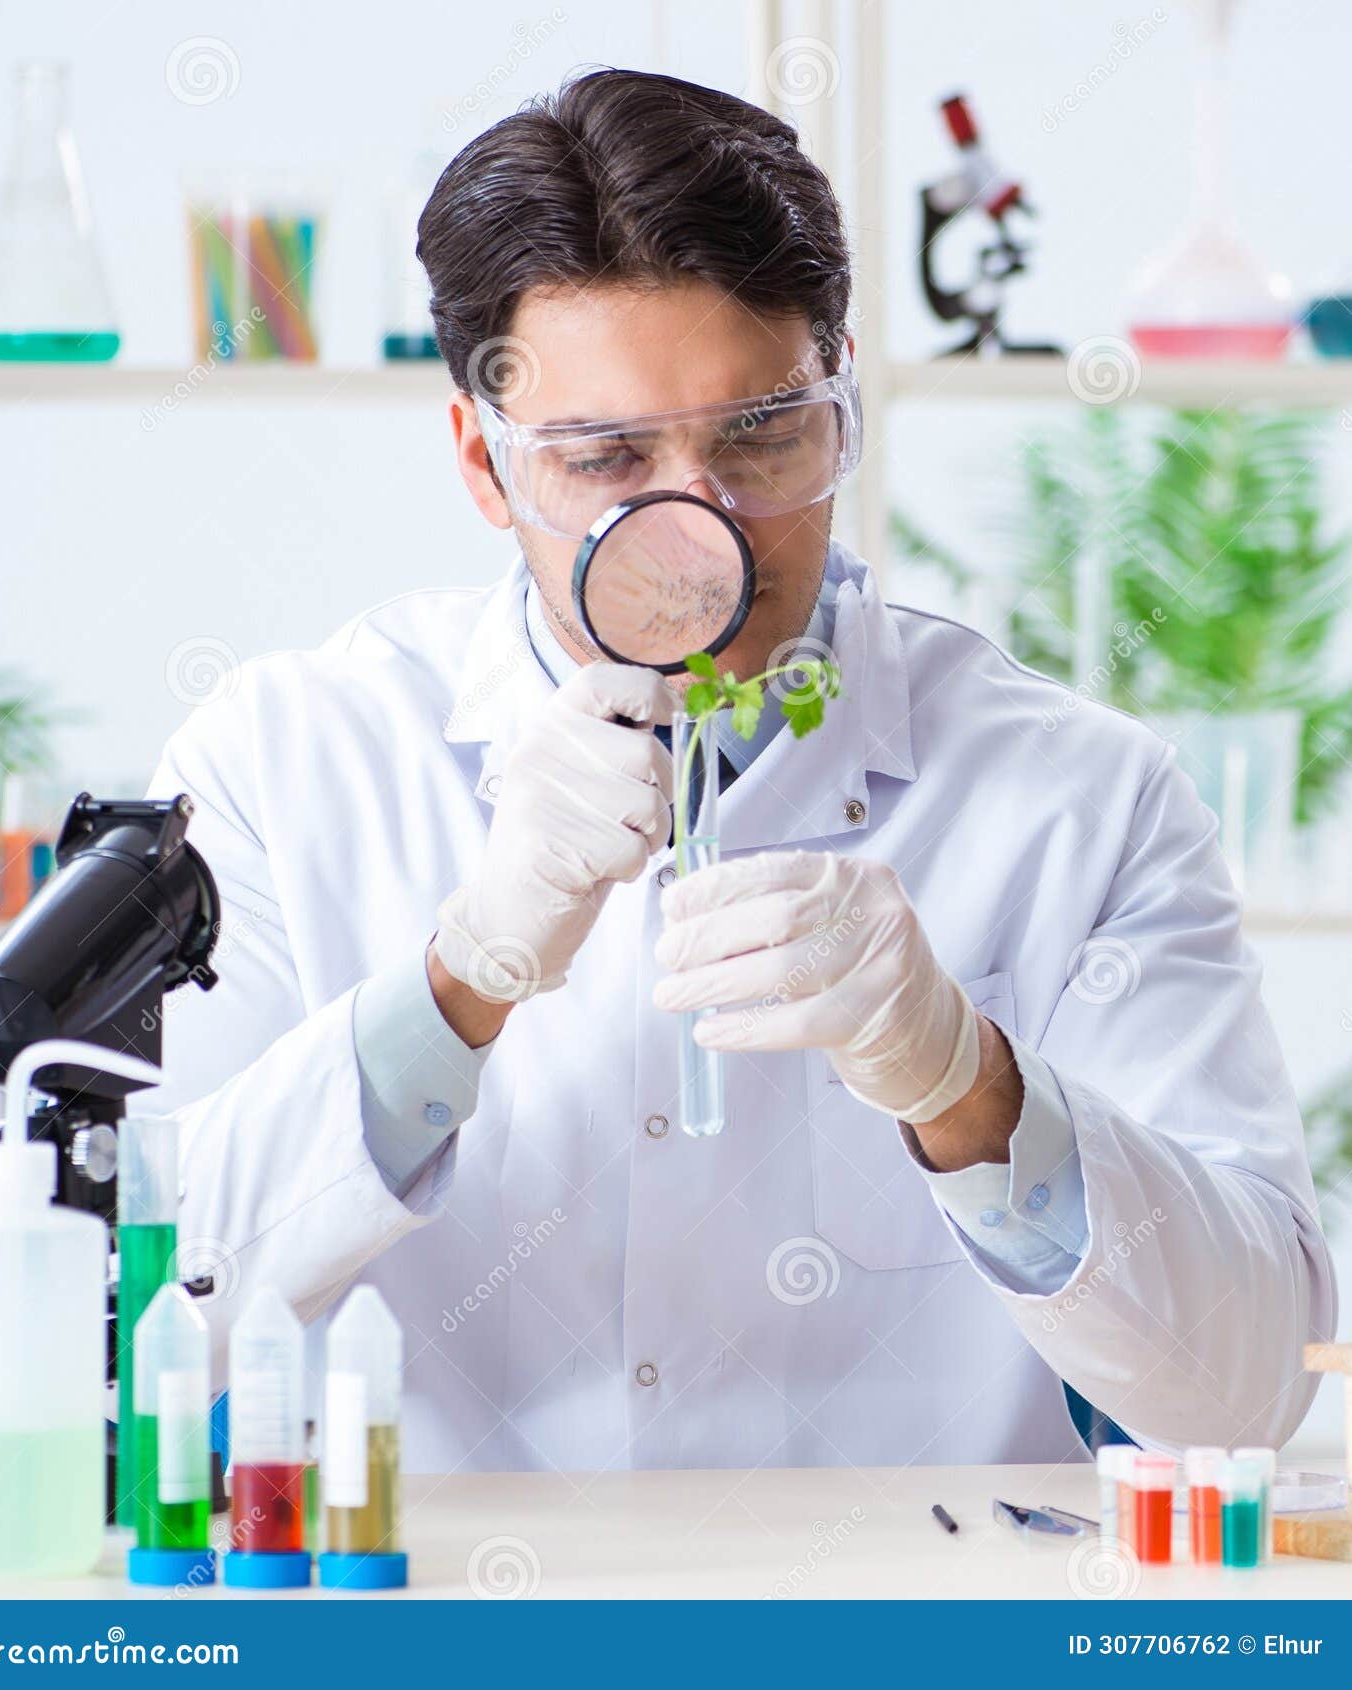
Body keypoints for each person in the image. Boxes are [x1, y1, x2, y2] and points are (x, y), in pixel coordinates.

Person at [149, 69, 1334, 1472]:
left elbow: (1251, 1389)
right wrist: (456, 979)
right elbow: (156, 1316)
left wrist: (967, 1086)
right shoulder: (287, 763)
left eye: (759, 435)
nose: (696, 528)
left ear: (841, 406)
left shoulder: (1081, 797)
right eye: (604, 457)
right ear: (484, 463)